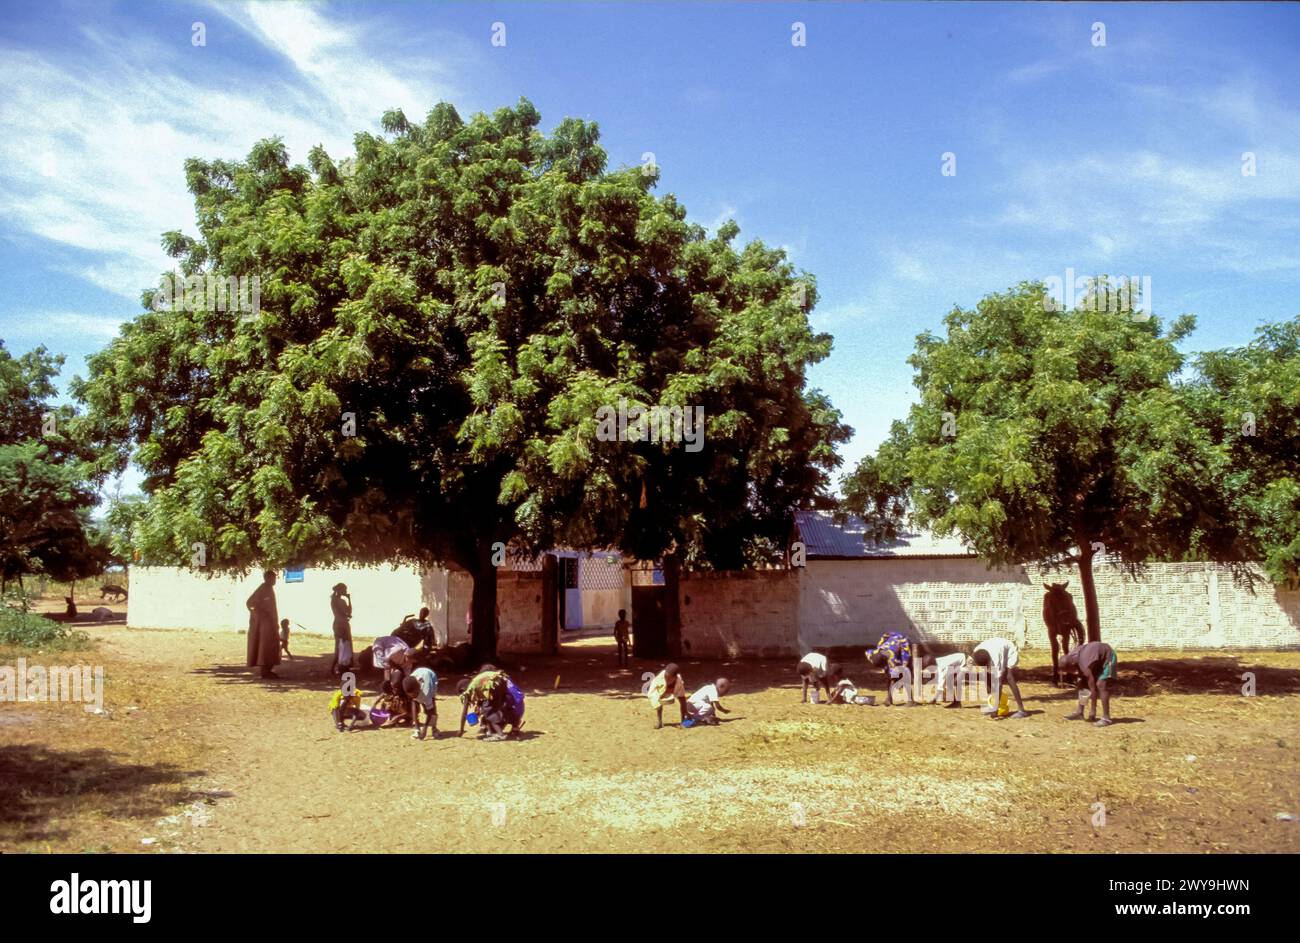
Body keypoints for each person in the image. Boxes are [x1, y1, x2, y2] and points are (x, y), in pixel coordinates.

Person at [1060, 640, 1118, 727]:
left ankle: (1106, 718)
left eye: (1069, 670)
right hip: (1096, 659)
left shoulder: (1084, 664)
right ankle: (1080, 713)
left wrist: (1092, 711)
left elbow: (1092, 689)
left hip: (1108, 657)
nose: (1071, 672)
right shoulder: (1072, 656)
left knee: (1100, 685)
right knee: (1082, 684)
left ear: (1072, 664)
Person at [969, 637, 1029, 719]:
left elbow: (999, 685)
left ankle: (1022, 710)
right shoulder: (977, 652)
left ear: (989, 660)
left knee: (1009, 677)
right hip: (996, 646)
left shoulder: (996, 658)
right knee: (985, 675)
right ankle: (991, 704)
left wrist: (995, 710)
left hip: (1009, 650)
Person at [459, 666, 522, 741]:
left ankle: (500, 734)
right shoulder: (478, 684)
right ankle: (495, 731)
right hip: (502, 680)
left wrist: (461, 730)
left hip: (494, 682)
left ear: (463, 689)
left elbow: (464, 713)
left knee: (488, 711)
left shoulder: (469, 690)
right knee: (494, 708)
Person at [245, 569, 281, 679]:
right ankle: (265, 671)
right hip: (265, 625)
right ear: (267, 578)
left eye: (275, 578)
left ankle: (268, 670)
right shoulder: (263, 589)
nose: (274, 580)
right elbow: (250, 603)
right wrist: (260, 617)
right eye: (272, 578)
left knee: (272, 647)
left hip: (271, 624)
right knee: (265, 647)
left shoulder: (269, 589)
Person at [867, 631, 917, 706]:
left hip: (902, 653)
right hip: (893, 654)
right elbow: (886, 634)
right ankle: (889, 699)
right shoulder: (876, 651)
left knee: (900, 675)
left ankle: (910, 701)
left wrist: (904, 665)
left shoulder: (892, 654)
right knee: (889, 676)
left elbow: (905, 655)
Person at [647, 662, 689, 729]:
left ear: (675, 677)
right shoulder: (660, 678)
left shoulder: (679, 681)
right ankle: (659, 722)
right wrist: (656, 702)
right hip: (661, 689)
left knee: (682, 700)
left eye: (669, 678)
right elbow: (651, 692)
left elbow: (682, 698)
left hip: (673, 689)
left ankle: (684, 720)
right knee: (657, 700)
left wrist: (683, 719)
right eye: (665, 677)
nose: (666, 679)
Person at [402, 667, 438, 740]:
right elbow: (414, 702)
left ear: (418, 688)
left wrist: (425, 728)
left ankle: (434, 728)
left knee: (431, 707)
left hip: (431, 676)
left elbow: (430, 711)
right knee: (415, 701)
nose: (414, 696)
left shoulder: (427, 692)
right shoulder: (409, 684)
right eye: (411, 695)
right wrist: (417, 727)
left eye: (415, 694)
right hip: (418, 672)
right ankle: (417, 729)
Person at [329, 583, 353, 675]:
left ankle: (344, 666)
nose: (346, 591)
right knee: (340, 646)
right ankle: (334, 667)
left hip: (345, 624)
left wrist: (349, 599)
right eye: (344, 590)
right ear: (339, 590)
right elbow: (338, 611)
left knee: (346, 645)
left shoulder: (342, 600)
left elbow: (349, 610)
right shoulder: (334, 600)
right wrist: (346, 615)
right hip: (339, 624)